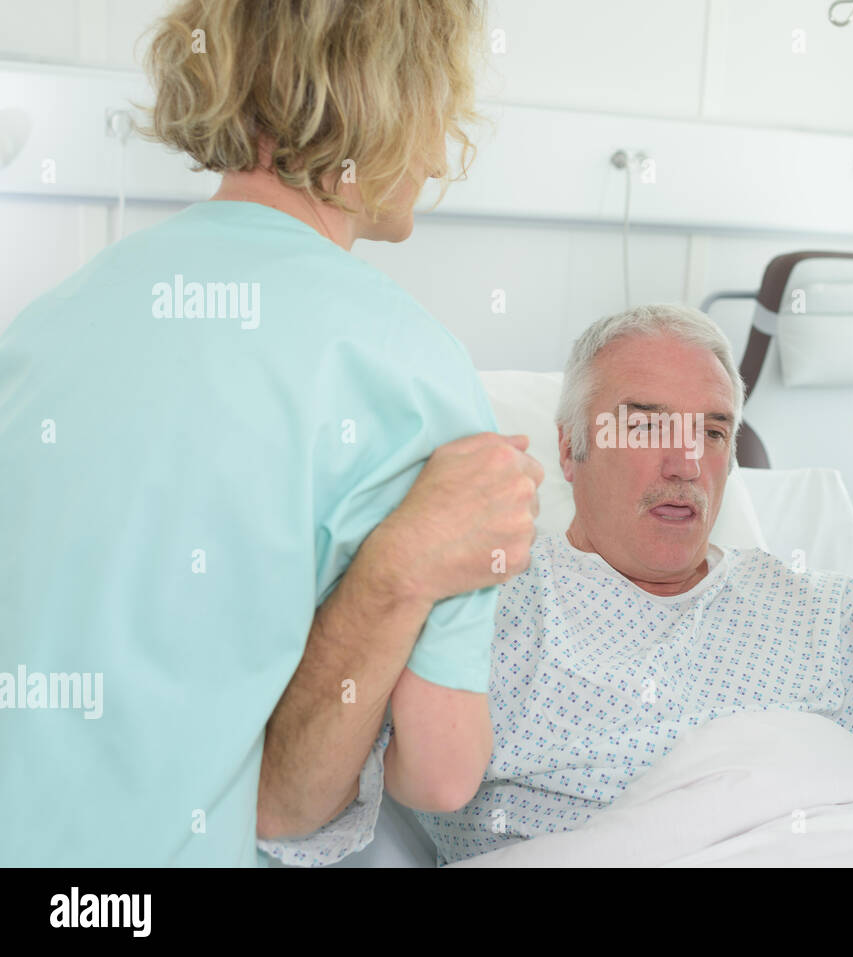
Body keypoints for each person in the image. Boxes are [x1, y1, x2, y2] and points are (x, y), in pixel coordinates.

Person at [261, 304, 853, 867]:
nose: (685, 460)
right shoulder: (490, 604)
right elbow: (306, 792)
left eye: (713, 429)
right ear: (568, 449)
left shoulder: (814, 606)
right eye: (646, 423)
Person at [0, 0, 541, 865]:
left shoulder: (42, 325)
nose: (442, 155)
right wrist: (395, 575)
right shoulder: (413, 376)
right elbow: (439, 774)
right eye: (439, 107)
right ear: (390, 101)